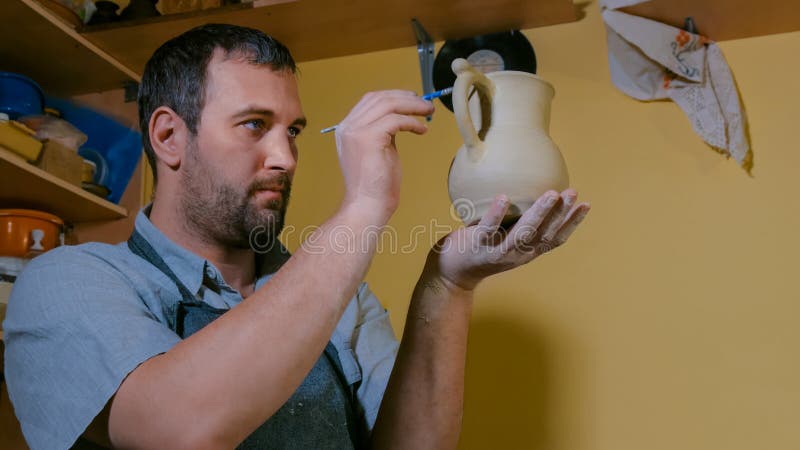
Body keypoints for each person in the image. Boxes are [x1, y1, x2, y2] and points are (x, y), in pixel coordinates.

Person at [3, 24, 590, 450]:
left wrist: (449, 282)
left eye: (295, 131)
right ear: (168, 136)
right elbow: (179, 429)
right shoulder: (68, 282)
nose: (285, 157)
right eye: (254, 125)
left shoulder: (336, 295)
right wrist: (363, 205)